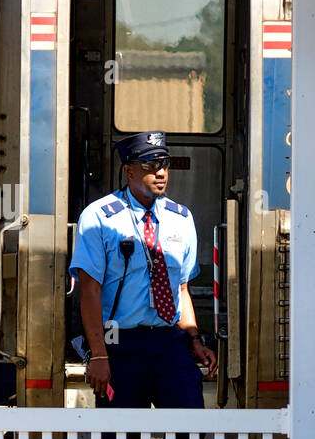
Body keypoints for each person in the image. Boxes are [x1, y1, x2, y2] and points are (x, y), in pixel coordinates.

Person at [70, 130, 218, 413]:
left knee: (191, 423)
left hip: (169, 341)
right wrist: (99, 355)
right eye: (150, 165)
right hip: (120, 343)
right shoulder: (99, 216)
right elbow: (89, 291)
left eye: (164, 164)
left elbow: (182, 289)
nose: (160, 172)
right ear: (129, 170)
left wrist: (195, 339)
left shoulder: (181, 218)